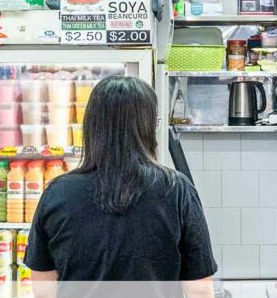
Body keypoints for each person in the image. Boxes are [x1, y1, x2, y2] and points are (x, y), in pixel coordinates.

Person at [25, 75, 217, 297]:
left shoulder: (57, 193)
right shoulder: (176, 190)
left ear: (91, 126)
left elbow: (43, 289)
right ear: (147, 126)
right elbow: (200, 291)